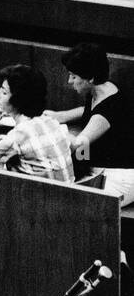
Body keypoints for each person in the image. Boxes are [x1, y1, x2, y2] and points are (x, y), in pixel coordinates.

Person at [46, 44, 134, 204]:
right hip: (100, 168)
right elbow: (88, 110)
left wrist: (46, 128)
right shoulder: (102, 89)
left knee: (72, 204)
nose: (69, 81)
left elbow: (80, 143)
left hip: (120, 176)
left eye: (73, 76)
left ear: (90, 78)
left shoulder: (106, 112)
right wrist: (61, 116)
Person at [0, 64, 75, 182]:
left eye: (4, 93)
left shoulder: (16, 136)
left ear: (17, 101)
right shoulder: (52, 122)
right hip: (66, 195)